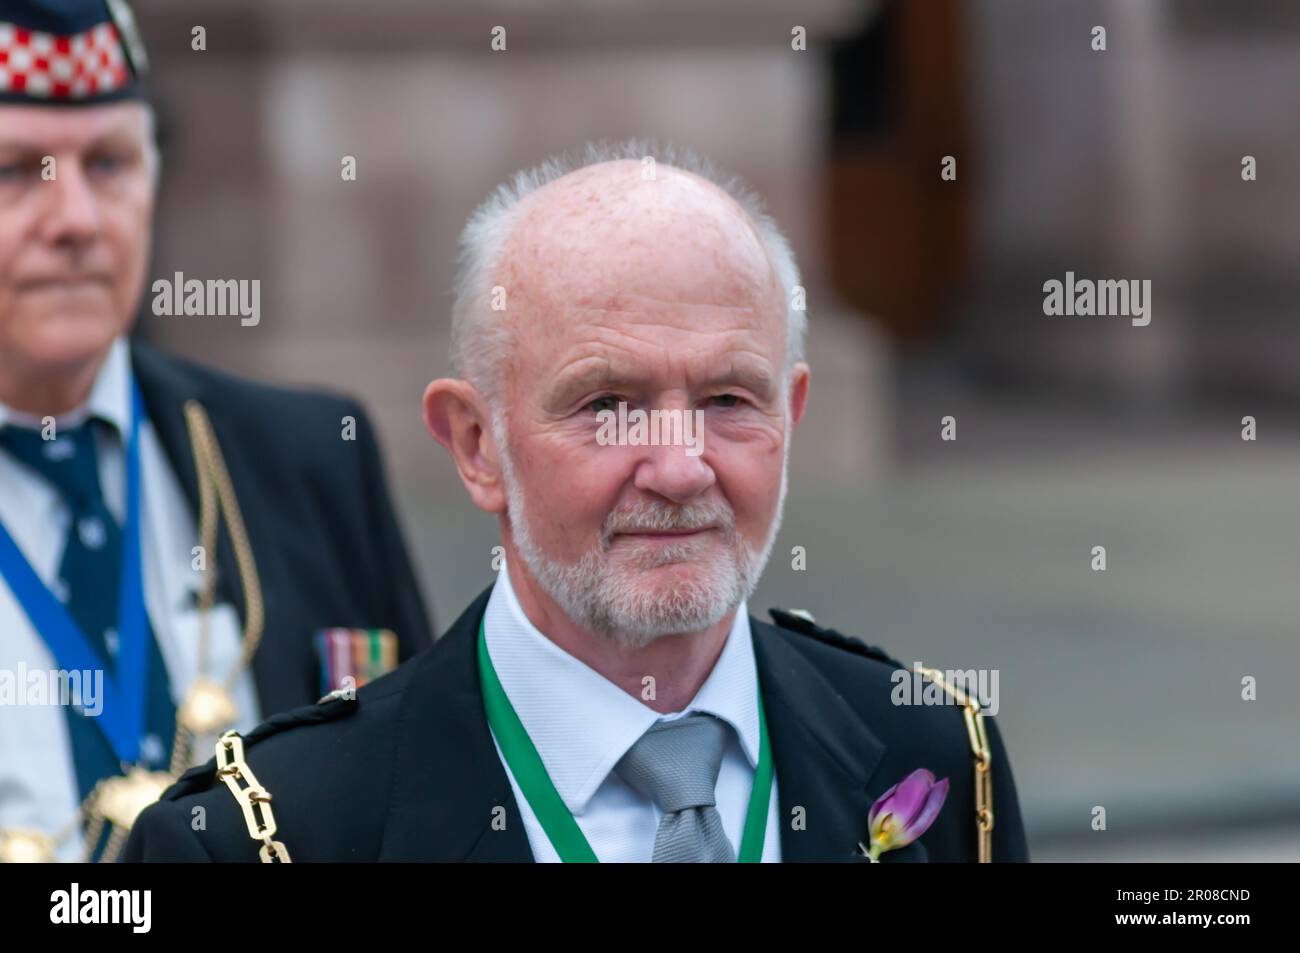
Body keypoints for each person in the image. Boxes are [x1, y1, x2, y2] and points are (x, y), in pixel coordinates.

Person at [124, 140, 1029, 863]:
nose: (680, 469)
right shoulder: (272, 836)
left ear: (789, 418)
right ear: (478, 445)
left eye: (727, 401)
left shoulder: (935, 755)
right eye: (607, 406)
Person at [0, 0, 432, 863]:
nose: (76, 219)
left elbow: (429, 794)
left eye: (110, 163)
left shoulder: (308, 457)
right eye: (16, 171)